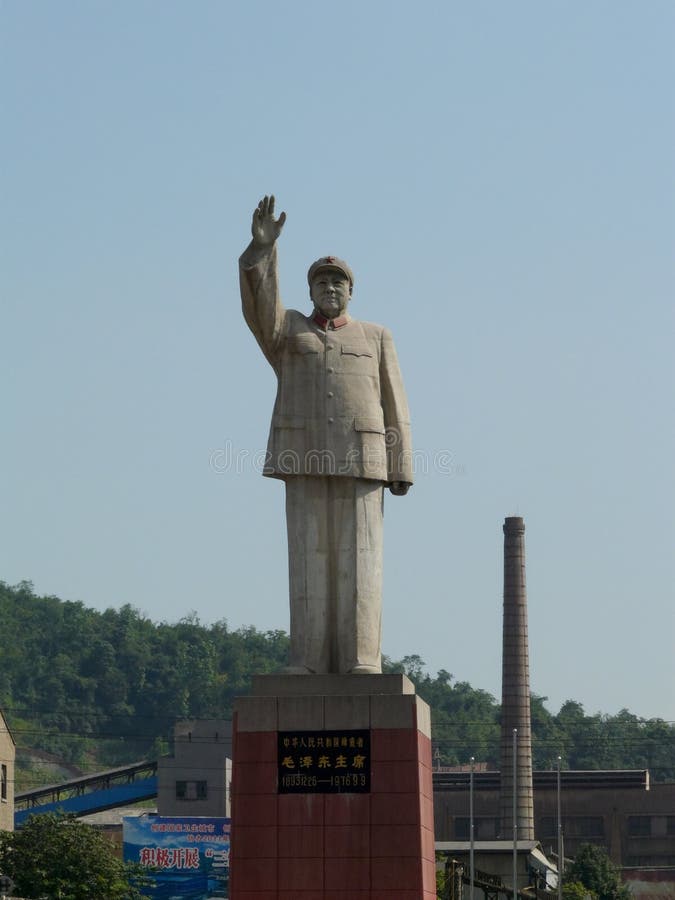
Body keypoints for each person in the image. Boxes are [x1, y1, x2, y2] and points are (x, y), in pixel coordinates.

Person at [239, 195, 413, 674]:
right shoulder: (287, 330)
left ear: (352, 291)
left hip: (365, 458)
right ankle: (307, 660)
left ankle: (362, 660)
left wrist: (401, 466)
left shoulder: (376, 336)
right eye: (321, 280)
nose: (330, 287)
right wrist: (261, 252)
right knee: (308, 564)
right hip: (304, 454)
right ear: (309, 289)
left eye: (338, 281)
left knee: (361, 565)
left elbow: (395, 403)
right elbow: (259, 308)